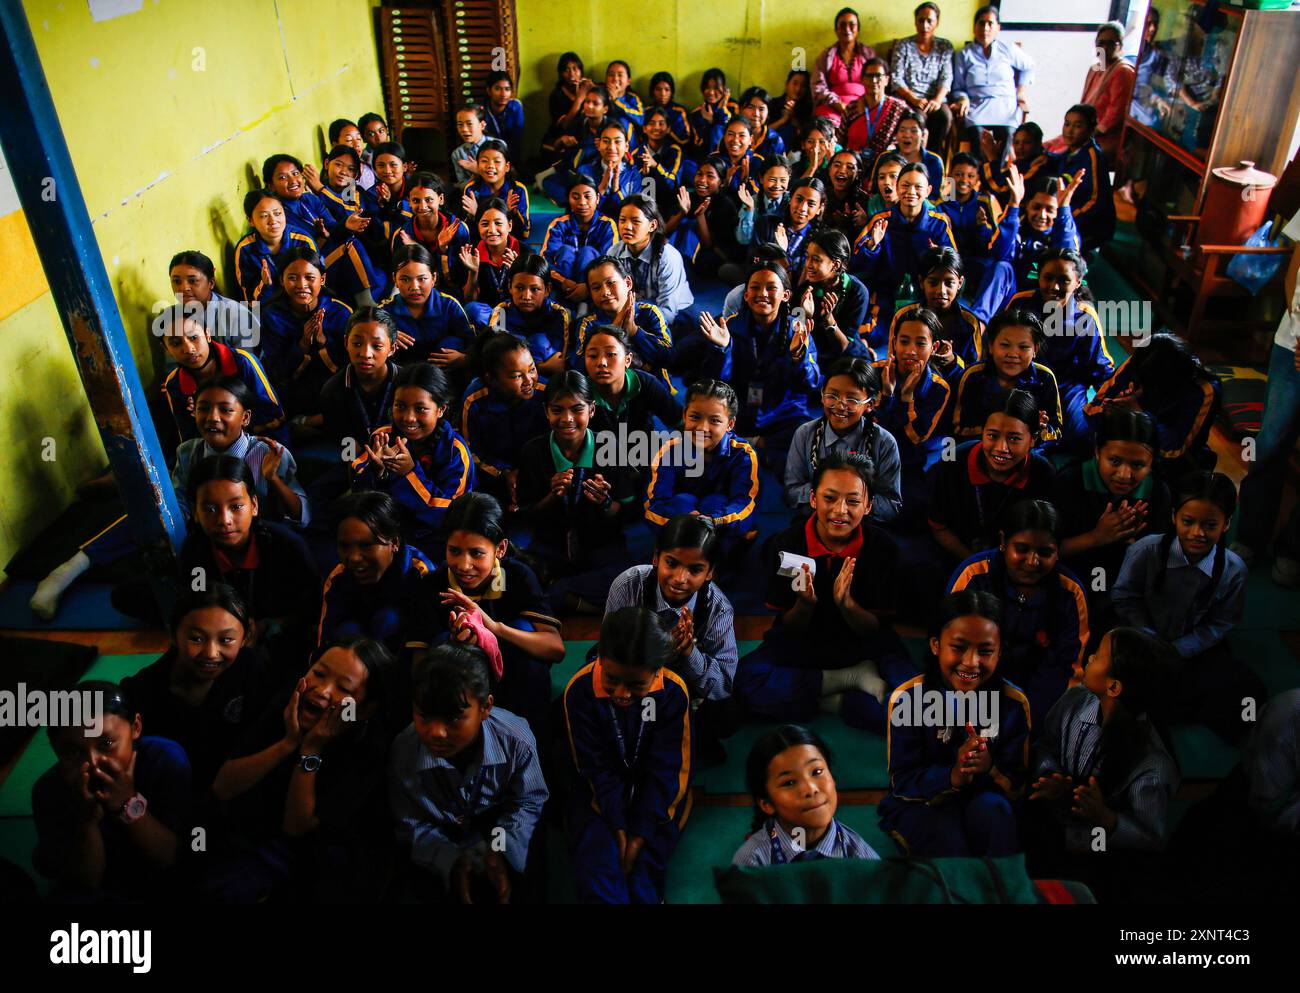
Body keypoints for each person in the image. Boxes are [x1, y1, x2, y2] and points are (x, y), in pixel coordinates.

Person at [735, 451, 915, 733]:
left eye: (853, 501)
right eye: (830, 498)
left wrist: (848, 606)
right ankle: (841, 691)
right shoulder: (784, 545)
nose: (840, 511)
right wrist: (804, 606)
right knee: (740, 686)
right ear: (813, 498)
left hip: (864, 646)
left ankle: (819, 694)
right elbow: (789, 627)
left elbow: (875, 630)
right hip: (804, 644)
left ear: (868, 505)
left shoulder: (884, 550)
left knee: (915, 707)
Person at [206, 639, 397, 902]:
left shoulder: (370, 747)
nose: (321, 690)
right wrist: (286, 745)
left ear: (365, 709)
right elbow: (222, 787)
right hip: (252, 833)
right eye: (318, 673)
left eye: (343, 688)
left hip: (316, 858)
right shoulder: (292, 701)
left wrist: (311, 750)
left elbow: (296, 827)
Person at [1026, 627, 1180, 902]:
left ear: (1114, 687)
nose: (1089, 657)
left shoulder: (1153, 766)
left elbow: (1149, 838)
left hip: (1101, 855)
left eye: (1097, 656)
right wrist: (1050, 774)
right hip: (1054, 825)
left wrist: (1107, 818)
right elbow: (1045, 744)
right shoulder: (1075, 700)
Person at [1112, 471, 1265, 744]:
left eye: (1210, 525)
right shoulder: (1145, 551)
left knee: (1248, 691)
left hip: (1191, 650)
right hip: (1141, 640)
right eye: (1188, 521)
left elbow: (1220, 623)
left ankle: (1164, 705)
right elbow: (1124, 597)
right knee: (1115, 678)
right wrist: (1148, 636)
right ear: (1174, 517)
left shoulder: (1234, 570)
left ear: (1227, 523)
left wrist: (1179, 649)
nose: (1197, 533)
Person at [388, 644, 548, 903]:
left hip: (497, 824)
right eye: (424, 716)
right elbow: (413, 823)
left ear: (485, 708)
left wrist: (500, 851)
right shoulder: (404, 751)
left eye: (453, 719)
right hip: (441, 834)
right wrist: (451, 860)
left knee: (527, 865)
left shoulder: (516, 739)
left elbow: (527, 802)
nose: (436, 732)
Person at [878, 591, 1030, 857]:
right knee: (946, 839)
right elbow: (902, 782)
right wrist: (953, 775)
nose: (971, 662)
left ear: (1000, 652)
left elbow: (1017, 784)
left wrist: (990, 767)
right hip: (924, 803)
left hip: (984, 798)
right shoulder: (907, 700)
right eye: (958, 647)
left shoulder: (1013, 703)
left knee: (994, 815)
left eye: (986, 651)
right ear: (936, 645)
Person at [405, 492, 565, 742]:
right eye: (454, 551)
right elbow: (419, 669)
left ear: (500, 548)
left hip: (514, 685)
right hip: (459, 698)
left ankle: (534, 742)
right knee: (440, 642)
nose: (463, 564)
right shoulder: (431, 587)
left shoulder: (519, 577)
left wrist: (494, 629)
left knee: (523, 631)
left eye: (476, 553)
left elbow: (555, 649)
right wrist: (455, 649)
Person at [563, 606, 693, 904]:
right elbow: (592, 768)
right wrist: (619, 827)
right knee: (599, 865)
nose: (622, 694)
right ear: (601, 659)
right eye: (612, 679)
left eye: (636, 685)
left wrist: (639, 835)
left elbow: (669, 771)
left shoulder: (673, 693)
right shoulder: (580, 691)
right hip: (598, 794)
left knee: (644, 869)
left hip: (659, 796)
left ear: (658, 670)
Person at [33, 681, 190, 902]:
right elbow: (85, 883)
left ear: (136, 727)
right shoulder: (48, 790)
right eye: (72, 752)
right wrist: (87, 821)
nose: (93, 763)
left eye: (107, 743)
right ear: (54, 747)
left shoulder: (164, 760)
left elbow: (173, 860)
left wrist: (128, 804)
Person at [604, 514, 741, 760]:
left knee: (727, 715)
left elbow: (722, 686)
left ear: (710, 572)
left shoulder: (719, 609)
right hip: (633, 679)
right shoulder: (628, 584)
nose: (680, 579)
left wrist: (690, 652)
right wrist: (659, 648)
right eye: (672, 563)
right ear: (656, 557)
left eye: (695, 569)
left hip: (684, 687)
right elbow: (608, 648)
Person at [947, 499, 1090, 723]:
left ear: (1058, 552)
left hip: (1039, 700)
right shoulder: (973, 576)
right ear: (1004, 542)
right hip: (973, 687)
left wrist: (1026, 718)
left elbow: (1064, 668)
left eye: (1045, 552)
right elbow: (953, 651)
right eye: (1022, 549)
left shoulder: (1071, 593)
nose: (1032, 562)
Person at [120, 586, 272, 792]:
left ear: (245, 639)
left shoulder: (252, 668)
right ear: (173, 635)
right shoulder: (140, 691)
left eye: (226, 640)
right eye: (197, 639)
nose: (211, 653)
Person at [514, 371, 639, 612]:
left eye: (577, 409)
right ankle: (575, 599)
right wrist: (552, 496)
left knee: (631, 580)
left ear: (591, 410)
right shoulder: (534, 451)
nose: (567, 419)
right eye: (557, 410)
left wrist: (604, 503)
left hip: (600, 547)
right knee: (515, 575)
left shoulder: (609, 446)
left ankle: (561, 597)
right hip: (552, 549)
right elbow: (527, 515)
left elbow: (626, 512)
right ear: (546, 411)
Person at [1231, 208, 1300, 586]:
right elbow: (1294, 273)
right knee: (1270, 442)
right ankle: (1250, 537)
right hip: (1293, 346)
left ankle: (1292, 548)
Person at [1053, 409, 1169, 624]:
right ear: (1097, 451)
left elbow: (1160, 561)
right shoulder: (1069, 482)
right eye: (1114, 461)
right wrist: (1097, 537)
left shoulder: (1158, 491)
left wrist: (1137, 546)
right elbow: (1049, 551)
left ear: (1152, 462)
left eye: (1138, 465)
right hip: (1071, 575)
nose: (1124, 475)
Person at [349, 362, 474, 552]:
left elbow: (448, 513)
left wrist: (409, 473)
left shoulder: (456, 451)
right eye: (400, 406)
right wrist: (378, 471)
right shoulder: (381, 437)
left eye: (420, 409)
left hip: (434, 537)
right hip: (388, 530)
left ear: (441, 409)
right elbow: (359, 493)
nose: (408, 418)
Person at [928, 388, 1056, 563]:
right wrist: (974, 565)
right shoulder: (953, 464)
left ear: (1032, 440)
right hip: (960, 559)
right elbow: (939, 527)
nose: (1001, 448)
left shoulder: (1043, 474)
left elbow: (1047, 542)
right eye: (992, 435)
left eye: (1014, 439)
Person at [1005, 249, 1113, 443]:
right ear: (1039, 277)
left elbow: (1099, 366)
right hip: (1023, 382)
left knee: (1082, 437)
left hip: (1067, 389)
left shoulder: (1086, 317)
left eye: (1063, 280)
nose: (1054, 286)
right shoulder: (1021, 302)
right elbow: (999, 343)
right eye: (1048, 277)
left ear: (1078, 283)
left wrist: (1116, 397)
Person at [734, 725, 880, 865]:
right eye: (789, 782)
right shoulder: (751, 862)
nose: (810, 789)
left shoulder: (861, 860)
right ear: (767, 804)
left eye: (816, 772)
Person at [645, 380, 760, 556]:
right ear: (684, 415)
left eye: (714, 420)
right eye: (695, 417)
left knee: (716, 502)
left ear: (730, 424)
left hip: (721, 526)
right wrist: (685, 519)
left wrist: (713, 521)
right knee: (683, 500)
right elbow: (654, 505)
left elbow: (744, 504)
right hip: (680, 524)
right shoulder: (669, 450)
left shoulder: (743, 454)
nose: (702, 428)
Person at [1084, 332, 1221, 478]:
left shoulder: (1204, 389)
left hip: (1171, 462)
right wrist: (1108, 413)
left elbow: (1173, 449)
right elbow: (1092, 410)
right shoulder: (1141, 362)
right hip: (1128, 441)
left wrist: (1138, 412)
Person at [785, 356, 902, 524]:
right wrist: (827, 498)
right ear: (821, 395)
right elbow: (791, 492)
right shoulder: (804, 434)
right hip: (814, 521)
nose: (840, 406)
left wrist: (851, 506)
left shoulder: (884, 442)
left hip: (864, 526)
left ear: (870, 404)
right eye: (832, 396)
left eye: (852, 399)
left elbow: (891, 504)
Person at [318, 491, 434, 653]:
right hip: (352, 671)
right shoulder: (339, 577)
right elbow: (324, 643)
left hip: (401, 665)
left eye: (366, 545)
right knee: (346, 632)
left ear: (394, 542)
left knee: (388, 620)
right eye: (345, 546)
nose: (354, 558)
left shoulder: (420, 574)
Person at [950, 309, 1064, 449]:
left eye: (1023, 347)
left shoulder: (1045, 378)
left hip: (1028, 451)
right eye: (1004, 345)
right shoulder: (974, 376)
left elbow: (1057, 432)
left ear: (1035, 349)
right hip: (980, 447)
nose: (1013, 354)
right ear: (990, 346)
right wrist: (999, 431)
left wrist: (1037, 429)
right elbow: (958, 428)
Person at [460, 333, 549, 510]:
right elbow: (471, 451)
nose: (528, 381)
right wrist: (504, 473)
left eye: (531, 370)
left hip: (537, 470)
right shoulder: (474, 400)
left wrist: (525, 473)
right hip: (492, 475)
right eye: (517, 376)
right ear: (491, 379)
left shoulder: (545, 393)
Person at [949, 5, 1034, 158]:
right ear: (974, 27)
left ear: (998, 28)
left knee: (1008, 133)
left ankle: (998, 176)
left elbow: (1029, 67)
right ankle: (978, 174)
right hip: (977, 106)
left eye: (990, 24)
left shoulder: (1008, 50)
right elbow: (958, 87)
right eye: (981, 23)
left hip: (1005, 107)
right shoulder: (964, 54)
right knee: (976, 133)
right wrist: (963, 98)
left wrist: (1020, 92)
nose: (985, 28)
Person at [1047, 22, 1134, 167]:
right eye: (1101, 43)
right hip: (1082, 131)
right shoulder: (1096, 68)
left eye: (1111, 43)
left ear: (1120, 46)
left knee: (1060, 156)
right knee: (1045, 148)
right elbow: (1084, 104)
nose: (1104, 48)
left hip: (1104, 137)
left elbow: (1115, 114)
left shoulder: (1123, 71)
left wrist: (1088, 134)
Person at [609, 195, 694, 326]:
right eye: (622, 220)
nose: (627, 227)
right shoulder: (614, 252)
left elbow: (668, 311)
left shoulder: (667, 257)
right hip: (636, 309)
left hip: (677, 313)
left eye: (635, 221)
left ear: (652, 225)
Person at [890, 3, 956, 153]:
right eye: (921, 20)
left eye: (929, 21)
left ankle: (932, 158)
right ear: (915, 21)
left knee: (944, 117)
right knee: (917, 119)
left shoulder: (945, 46)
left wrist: (937, 100)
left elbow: (946, 77)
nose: (925, 25)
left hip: (935, 99)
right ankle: (913, 159)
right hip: (909, 98)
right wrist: (914, 99)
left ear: (937, 22)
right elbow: (896, 78)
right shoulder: (903, 45)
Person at [812, 7, 878, 132]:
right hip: (833, 107)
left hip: (863, 105)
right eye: (842, 25)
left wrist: (864, 102)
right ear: (836, 30)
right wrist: (837, 104)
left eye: (852, 25)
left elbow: (877, 81)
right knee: (825, 127)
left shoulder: (868, 54)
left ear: (858, 29)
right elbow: (818, 87)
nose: (847, 29)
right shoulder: (826, 55)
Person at [844, 59, 907, 163]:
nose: (873, 81)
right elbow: (841, 140)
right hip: (854, 165)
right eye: (869, 76)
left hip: (887, 166)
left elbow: (917, 130)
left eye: (878, 76)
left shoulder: (898, 108)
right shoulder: (852, 108)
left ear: (887, 80)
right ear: (862, 79)